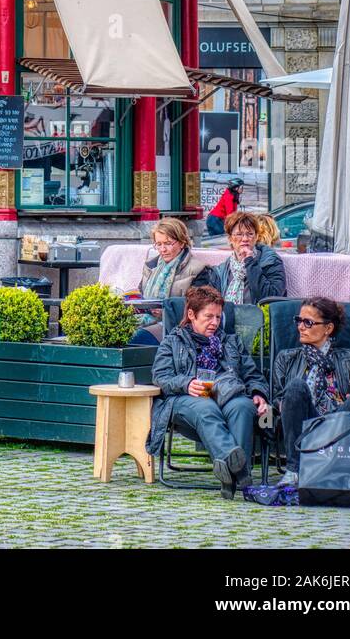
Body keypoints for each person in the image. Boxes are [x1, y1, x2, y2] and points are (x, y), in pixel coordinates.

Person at [147, 285, 270, 499]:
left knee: (243, 406)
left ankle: (228, 480)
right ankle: (241, 473)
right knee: (206, 407)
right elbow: (161, 377)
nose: (215, 322)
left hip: (228, 394)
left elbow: (252, 375)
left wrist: (259, 393)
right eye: (209, 316)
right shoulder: (173, 342)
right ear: (192, 315)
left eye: (218, 317)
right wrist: (186, 383)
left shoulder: (231, 342)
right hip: (187, 399)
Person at [273, 296, 350, 487]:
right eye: (298, 321)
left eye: (308, 322)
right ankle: (294, 471)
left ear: (328, 328)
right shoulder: (286, 358)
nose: (300, 327)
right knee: (296, 386)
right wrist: (287, 402)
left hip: (340, 425)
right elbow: (277, 397)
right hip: (304, 426)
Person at [128, 218, 212, 346]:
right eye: (158, 244)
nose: (163, 249)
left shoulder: (198, 269)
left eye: (168, 243)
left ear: (182, 242)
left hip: (177, 327)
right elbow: (141, 295)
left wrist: (166, 310)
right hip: (148, 320)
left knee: (137, 337)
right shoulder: (151, 265)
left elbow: (199, 309)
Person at [196, 210, 287, 304]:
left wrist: (250, 262)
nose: (245, 239)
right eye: (239, 234)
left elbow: (272, 297)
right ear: (230, 238)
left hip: (259, 317)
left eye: (250, 234)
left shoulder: (270, 261)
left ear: (256, 237)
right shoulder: (222, 271)